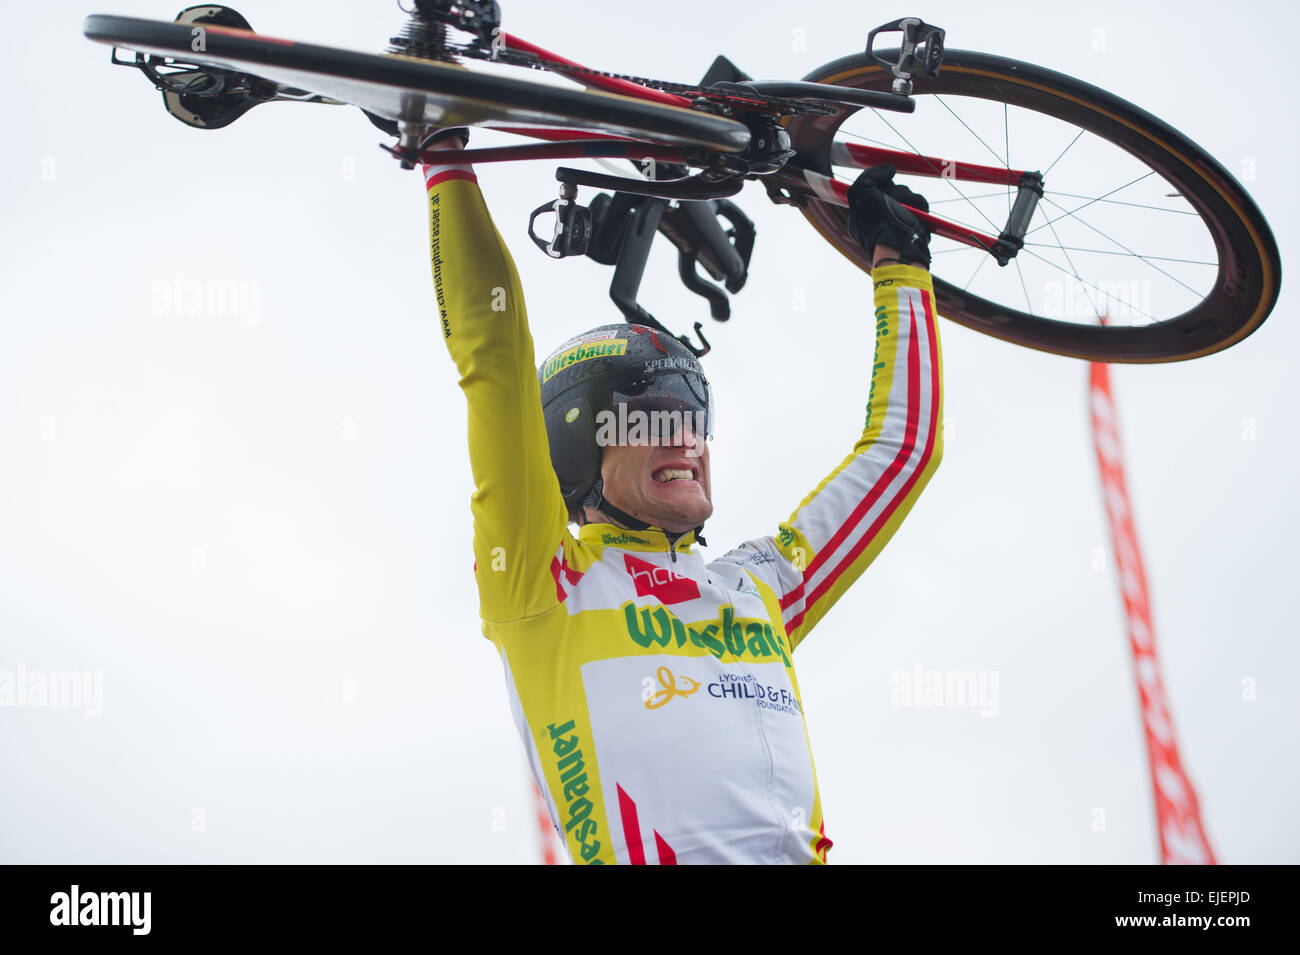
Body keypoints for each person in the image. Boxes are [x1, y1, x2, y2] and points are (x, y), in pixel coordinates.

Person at [423, 132, 942, 864]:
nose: (686, 440)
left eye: (695, 419)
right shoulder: (543, 584)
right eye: (652, 418)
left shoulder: (758, 587)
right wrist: (444, 157)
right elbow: (495, 356)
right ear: (579, 450)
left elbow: (902, 449)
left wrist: (900, 266)